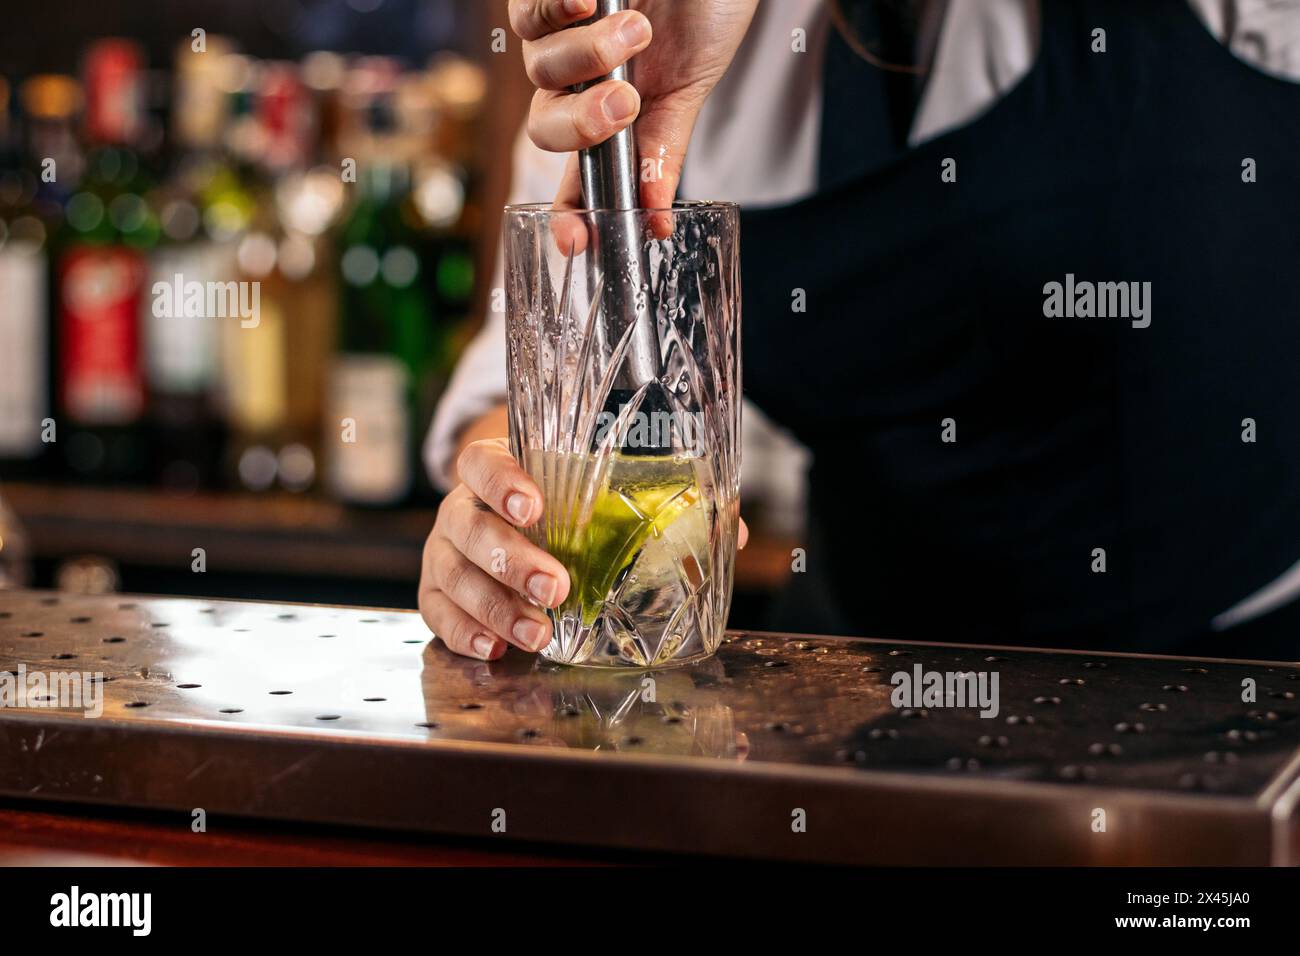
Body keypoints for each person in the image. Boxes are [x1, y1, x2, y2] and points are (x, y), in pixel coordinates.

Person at [419, 0, 1300, 661]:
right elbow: (536, 376)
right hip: (857, 691)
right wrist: (505, 527)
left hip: (1234, 701)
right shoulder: (658, 22)